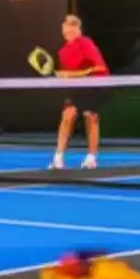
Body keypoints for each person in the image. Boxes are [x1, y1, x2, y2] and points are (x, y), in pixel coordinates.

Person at [49, 14, 110, 170]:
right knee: (67, 115)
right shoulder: (63, 52)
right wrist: (64, 77)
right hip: (79, 86)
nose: (68, 30)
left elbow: (96, 68)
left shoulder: (85, 43)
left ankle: (91, 158)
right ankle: (58, 158)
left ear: (77, 29)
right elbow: (70, 74)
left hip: (96, 83)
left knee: (90, 116)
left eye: (72, 26)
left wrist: (69, 75)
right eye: (66, 26)